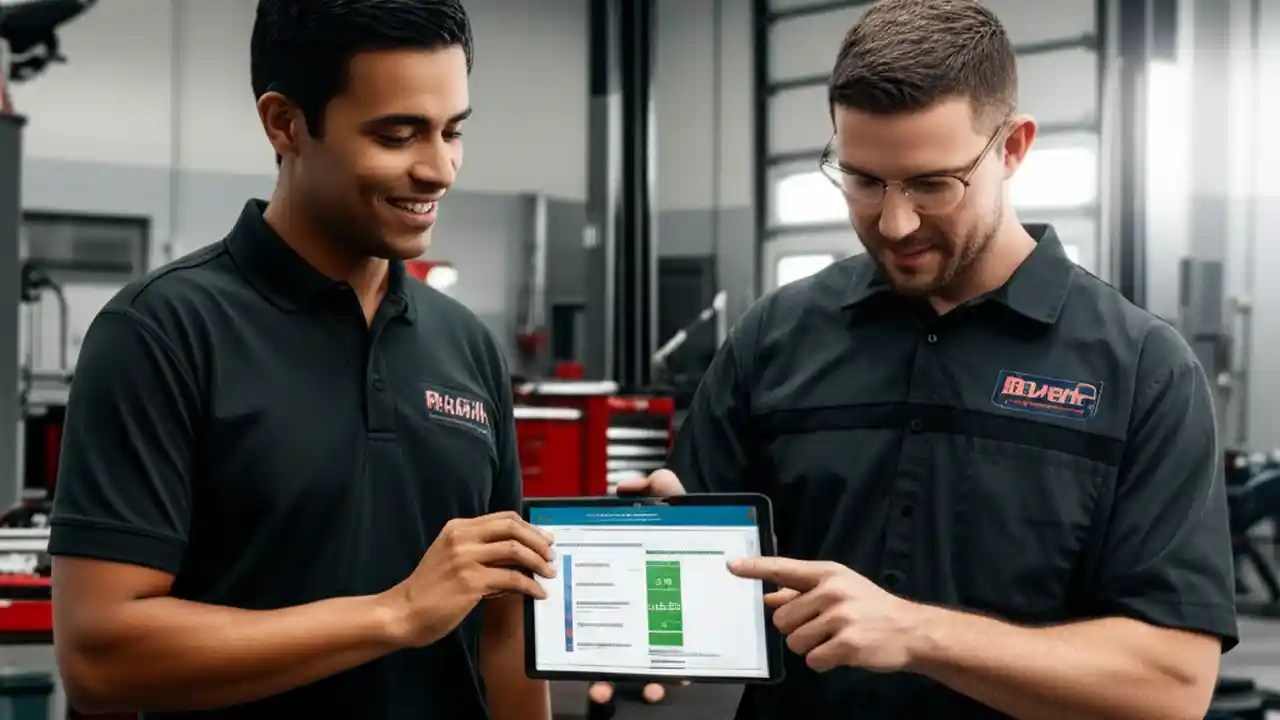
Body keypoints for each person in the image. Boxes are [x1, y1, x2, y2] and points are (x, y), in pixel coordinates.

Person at [593, 0, 1239, 718]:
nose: (895, 223)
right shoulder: (774, 339)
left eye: (932, 184)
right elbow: (702, 584)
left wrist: (917, 633)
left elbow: (1172, 686)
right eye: (864, 181)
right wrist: (654, 581)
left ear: (1014, 148)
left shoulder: (1142, 370)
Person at [47, 2, 556, 718]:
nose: (438, 168)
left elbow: (505, 626)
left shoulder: (466, 345)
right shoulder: (161, 332)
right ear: (285, 123)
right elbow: (102, 657)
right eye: (396, 134)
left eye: (453, 131)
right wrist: (395, 614)